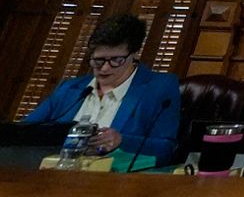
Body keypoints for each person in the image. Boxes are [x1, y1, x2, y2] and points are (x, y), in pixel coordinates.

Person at [23, 13, 181, 169]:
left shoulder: (159, 87)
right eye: (98, 60)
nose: (105, 68)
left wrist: (121, 141)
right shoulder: (70, 89)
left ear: (134, 55)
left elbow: (166, 149)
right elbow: (23, 133)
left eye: (116, 60)